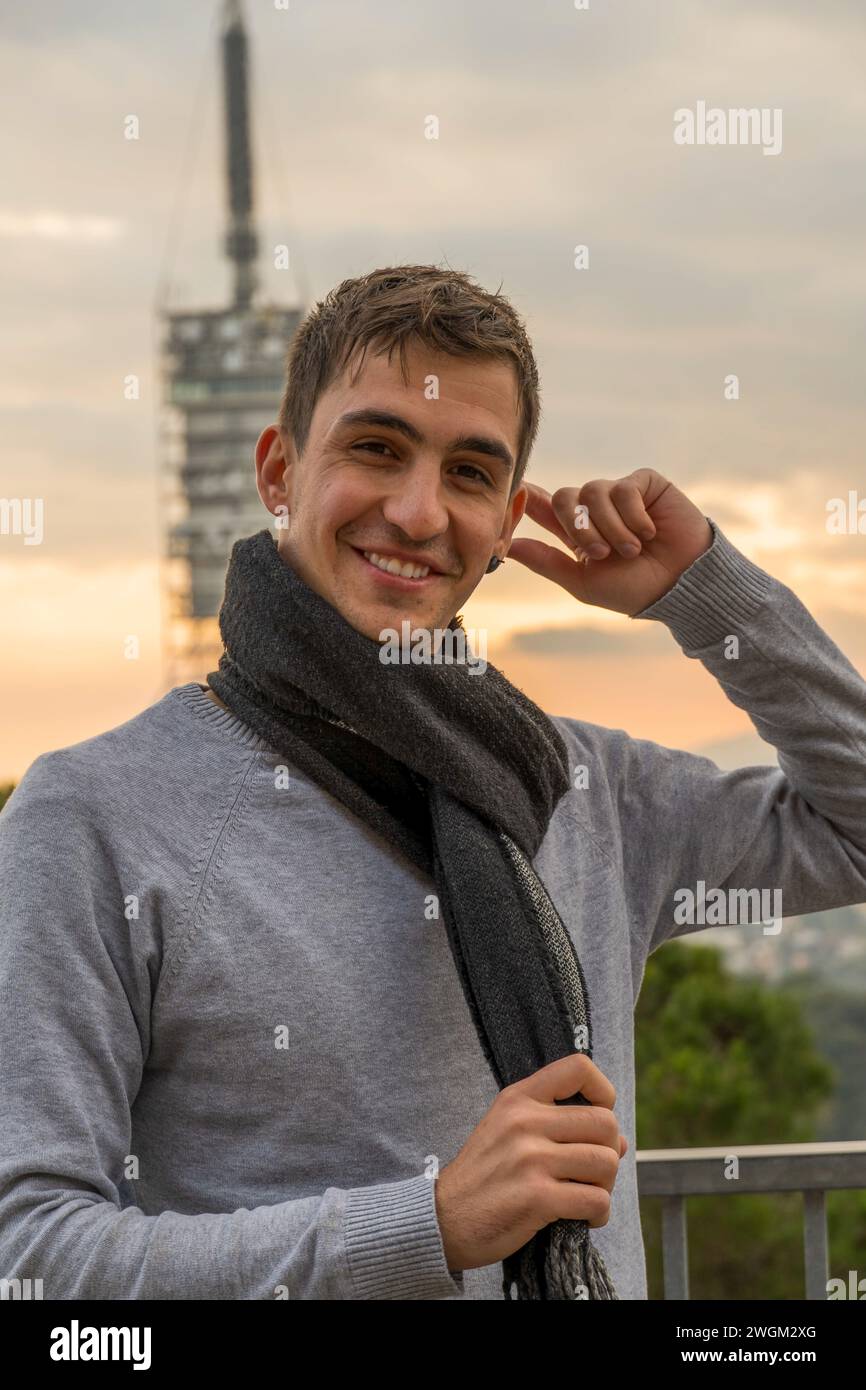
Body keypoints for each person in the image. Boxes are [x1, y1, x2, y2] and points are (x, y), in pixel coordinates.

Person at [1, 264, 864, 1300]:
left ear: (505, 524)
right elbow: (33, 1259)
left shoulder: (587, 792)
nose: (416, 512)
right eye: (375, 448)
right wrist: (429, 1224)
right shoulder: (93, 814)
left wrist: (707, 596)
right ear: (279, 470)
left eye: (468, 473)